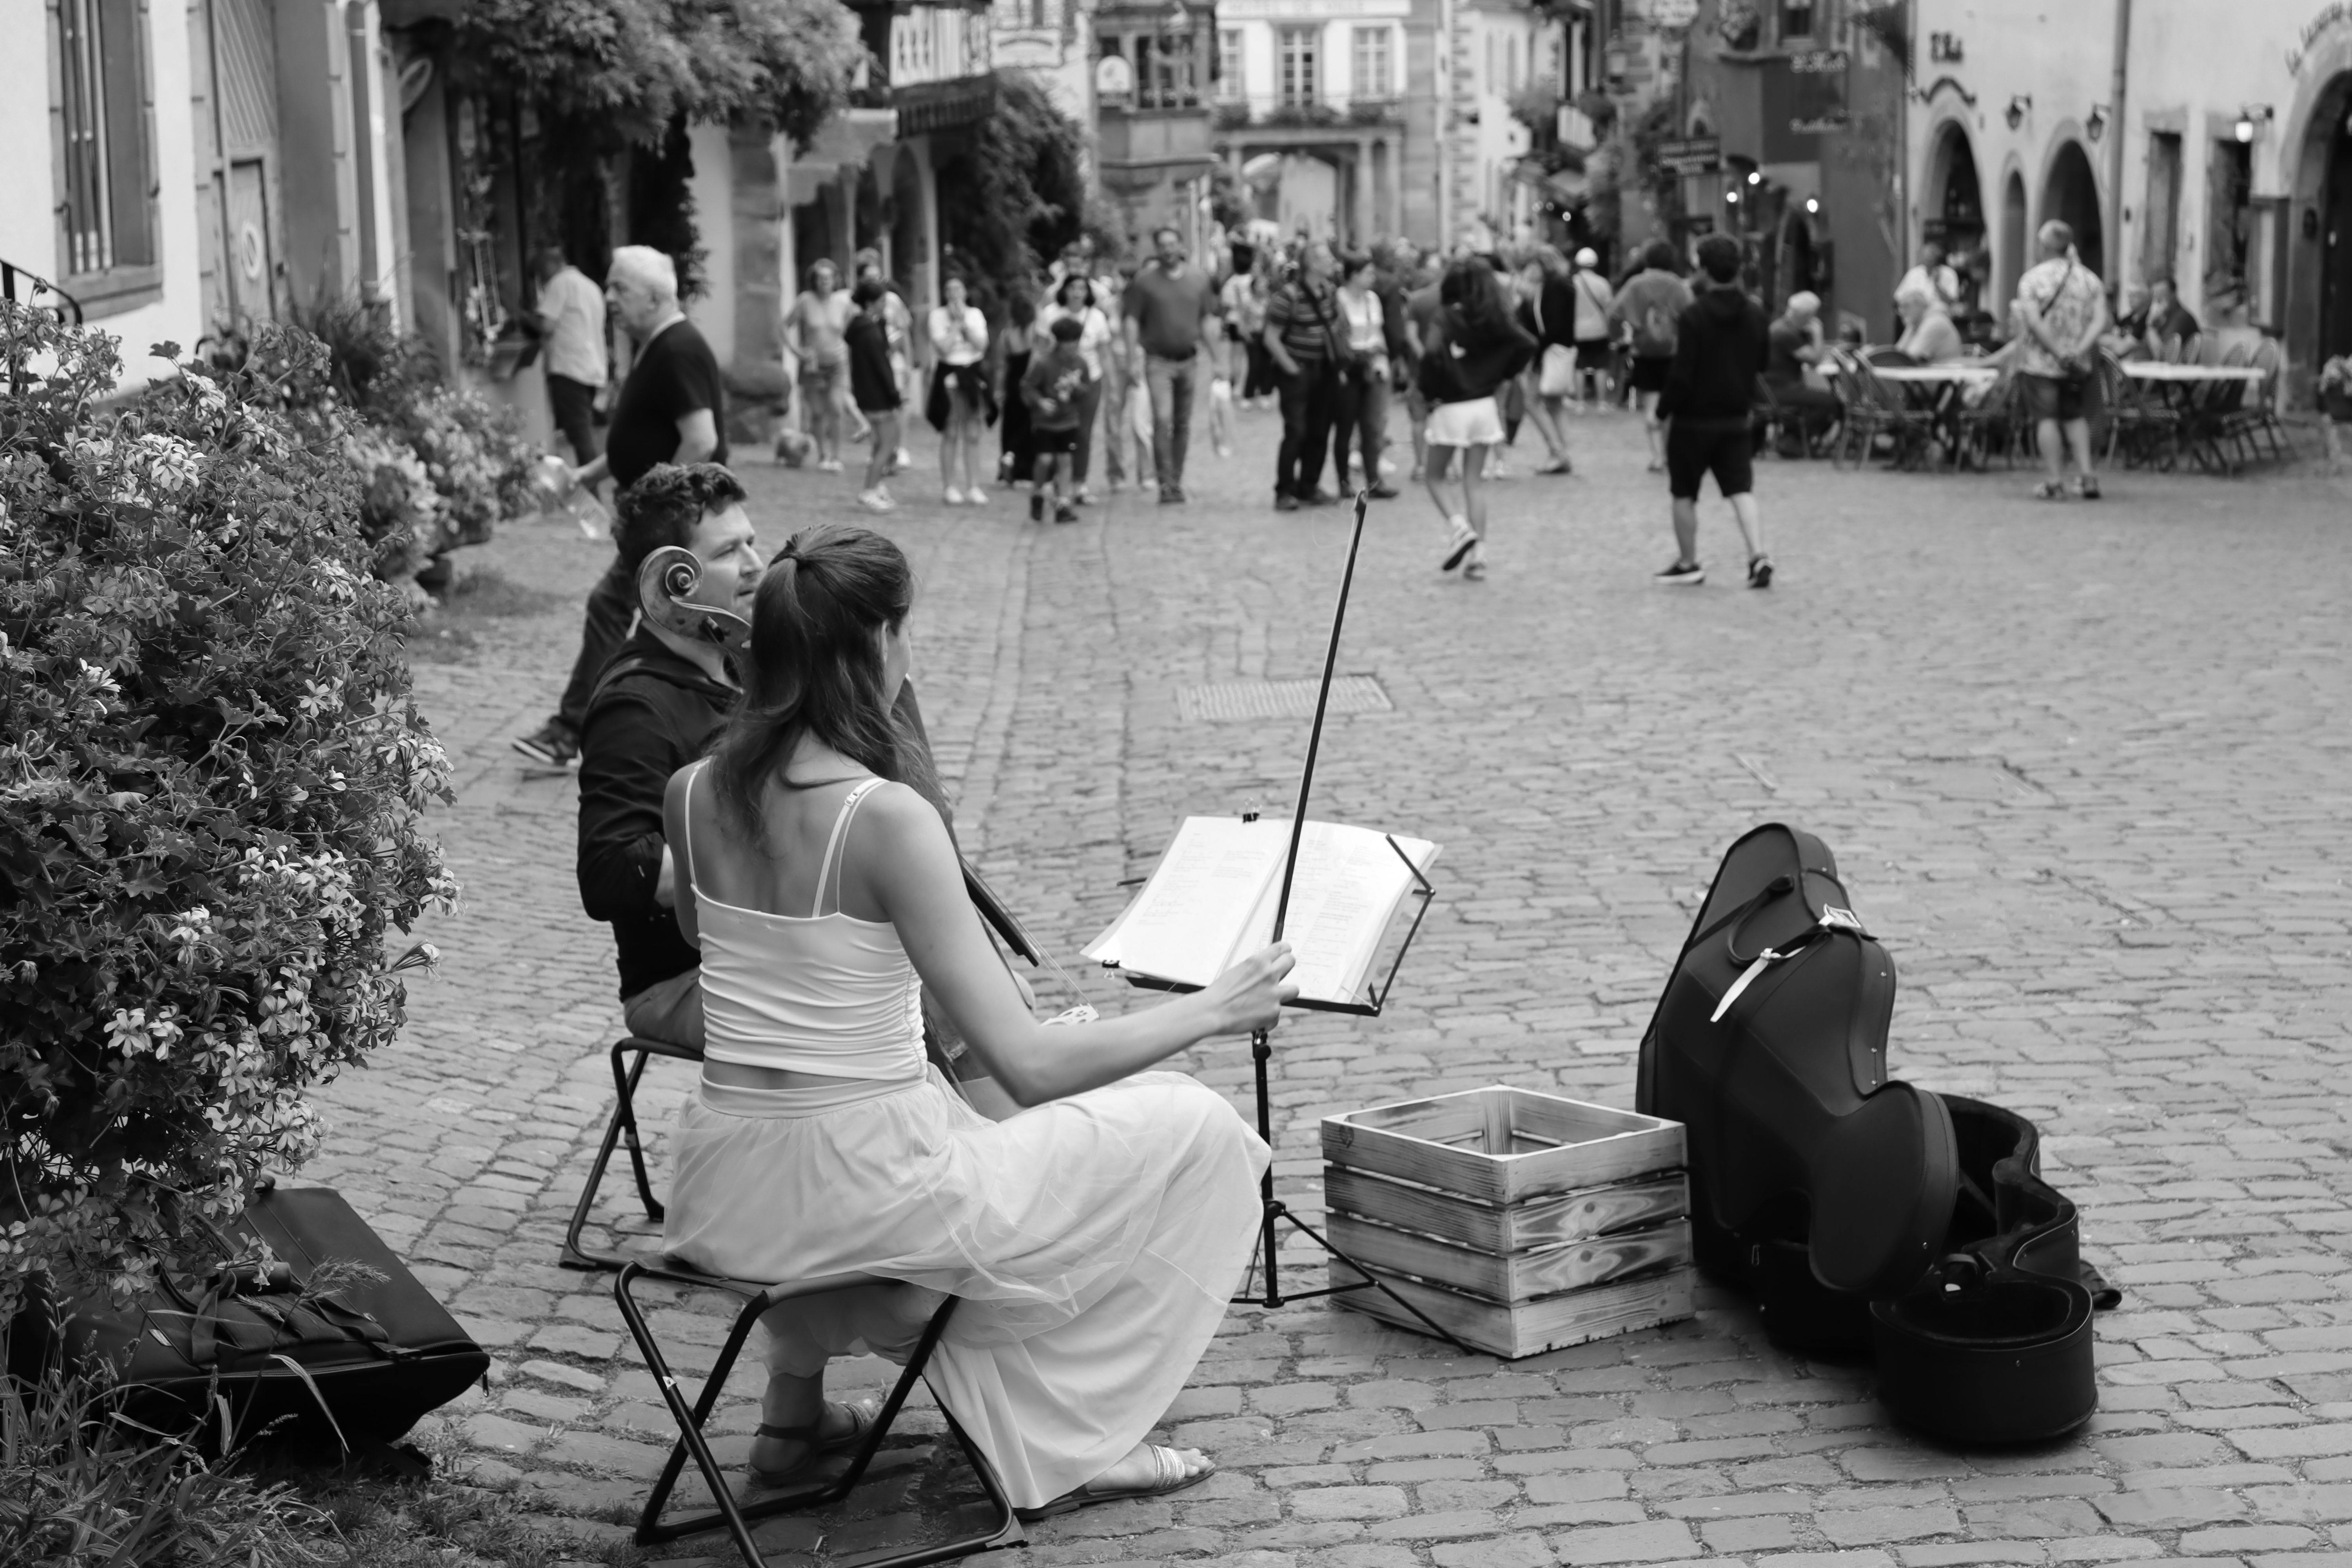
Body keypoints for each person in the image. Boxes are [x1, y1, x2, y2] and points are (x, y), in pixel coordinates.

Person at [655, 521, 1292, 1514]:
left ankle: (791, 1428)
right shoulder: (886, 817)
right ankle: (1074, 1442)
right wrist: (1216, 1007)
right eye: (906, 635)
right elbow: (1028, 1064)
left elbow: (705, 935)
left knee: (964, 1150)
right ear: (876, 649)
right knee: (1197, 1128)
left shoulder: (691, 791)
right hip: (860, 1189)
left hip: (724, 1183)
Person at [514, 247, 726, 769]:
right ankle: (708, 726)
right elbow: (642, 432)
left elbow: (700, 441)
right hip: (673, 521)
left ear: (654, 297)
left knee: (621, 608)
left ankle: (571, 731)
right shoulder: (658, 344)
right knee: (686, 621)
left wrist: (665, 509)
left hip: (676, 523)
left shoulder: (677, 348)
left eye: (619, 289)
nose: (608, 298)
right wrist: (591, 474)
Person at [576, 465, 757, 1049]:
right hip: (683, 980)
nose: (756, 565)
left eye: (751, 542)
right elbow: (608, 874)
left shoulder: (744, 669)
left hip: (768, 954)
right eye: (730, 551)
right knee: (867, 1000)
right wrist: (771, 839)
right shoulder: (637, 704)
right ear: (672, 581)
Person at [1655, 233, 1772, 590]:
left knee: (1684, 492)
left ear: (1704, 270)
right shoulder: (1755, 312)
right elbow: (1762, 362)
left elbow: (1683, 372)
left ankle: (1689, 562)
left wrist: (1662, 412)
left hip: (1694, 418)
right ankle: (1757, 554)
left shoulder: (1694, 315)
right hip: (1736, 415)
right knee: (1741, 489)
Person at [1417, 258, 1535, 582]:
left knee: (1435, 476)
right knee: (1474, 481)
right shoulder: (1494, 316)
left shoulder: (1447, 316)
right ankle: (1479, 554)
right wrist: (1502, 374)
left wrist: (1430, 390)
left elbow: (1429, 353)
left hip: (1451, 405)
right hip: (1484, 405)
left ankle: (1459, 527)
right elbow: (1527, 343)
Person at [1121, 225, 1223, 503]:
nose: (1168, 250)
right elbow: (1131, 320)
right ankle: (1165, 482)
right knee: (1163, 420)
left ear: (1181, 246)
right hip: (1158, 362)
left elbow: (1206, 321)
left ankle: (1176, 479)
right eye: (1162, 245)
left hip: (1190, 360)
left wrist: (1218, 360)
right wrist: (1132, 359)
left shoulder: (1198, 280)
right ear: (1156, 249)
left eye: (1172, 244)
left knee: (1183, 424)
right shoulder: (1144, 282)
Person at [2011, 219, 2109, 501]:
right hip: (2077, 363)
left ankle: (2055, 481)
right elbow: (2099, 320)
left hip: (2041, 362)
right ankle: (2088, 475)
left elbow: (2033, 321)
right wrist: (2078, 349)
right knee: (2074, 416)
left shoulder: (2032, 279)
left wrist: (2057, 351)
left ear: (2043, 246)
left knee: (2047, 419)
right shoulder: (2089, 279)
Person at [1264, 240, 1343, 510]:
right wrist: (1291, 368)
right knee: (1296, 431)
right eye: (1326, 257)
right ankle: (1284, 490)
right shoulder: (1288, 296)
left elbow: (1334, 326)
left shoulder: (1329, 292)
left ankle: (1309, 485)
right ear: (1312, 264)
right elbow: (1271, 337)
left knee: (1320, 430)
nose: (1333, 261)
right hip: (1297, 373)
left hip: (1324, 370)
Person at [1610, 241, 1694, 474]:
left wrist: (1621, 337)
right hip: (1674, 353)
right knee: (1671, 407)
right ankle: (1669, 455)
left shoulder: (1636, 284)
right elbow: (1693, 316)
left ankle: (1656, 456)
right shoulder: (1679, 286)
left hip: (1645, 352)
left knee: (1651, 404)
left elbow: (1615, 313)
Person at [1037, 274, 1114, 505]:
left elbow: (1104, 353)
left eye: (1082, 288)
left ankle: (1079, 483)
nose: (1077, 293)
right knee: (1056, 432)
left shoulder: (1097, 318)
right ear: (1065, 290)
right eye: (1073, 288)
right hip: (1056, 381)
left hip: (1089, 380)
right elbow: (1041, 350)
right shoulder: (1051, 314)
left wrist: (1112, 386)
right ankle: (1054, 483)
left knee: (1083, 434)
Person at [1329, 249, 1397, 499]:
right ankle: (1344, 481)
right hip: (1348, 369)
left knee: (1372, 426)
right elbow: (1339, 338)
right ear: (1353, 275)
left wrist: (1382, 362)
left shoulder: (1372, 300)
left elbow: (1377, 333)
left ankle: (1374, 481)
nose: (1372, 277)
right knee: (1346, 427)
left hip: (1372, 367)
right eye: (1367, 273)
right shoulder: (1338, 300)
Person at [534, 245, 608, 465]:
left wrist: (526, 318)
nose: (540, 279)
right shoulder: (590, 285)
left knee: (579, 436)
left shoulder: (561, 283)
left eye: (540, 271)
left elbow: (547, 325)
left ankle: (591, 493)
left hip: (569, 369)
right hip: (591, 368)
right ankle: (586, 489)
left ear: (550, 265)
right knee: (580, 433)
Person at [926, 276, 991, 506]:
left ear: (965, 293)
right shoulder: (936, 316)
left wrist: (964, 324)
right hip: (949, 377)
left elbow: (982, 346)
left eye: (958, 290)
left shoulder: (975, 315)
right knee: (951, 431)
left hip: (972, 376)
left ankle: (974, 486)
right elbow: (942, 349)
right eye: (949, 290)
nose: (954, 294)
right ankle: (949, 486)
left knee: (973, 432)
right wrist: (954, 325)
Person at [1022, 315, 1091, 523]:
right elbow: (1027, 386)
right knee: (1045, 460)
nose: (1073, 346)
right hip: (1046, 422)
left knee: (1065, 460)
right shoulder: (1044, 363)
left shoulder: (1081, 363)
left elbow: (1085, 390)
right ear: (1059, 342)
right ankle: (1037, 492)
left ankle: (1063, 504)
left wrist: (1078, 388)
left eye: (1076, 341)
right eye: (1068, 342)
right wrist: (1041, 402)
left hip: (1069, 420)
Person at [786, 260, 853, 473]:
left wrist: (848, 349)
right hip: (812, 365)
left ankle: (836, 456)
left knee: (836, 407)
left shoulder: (843, 303)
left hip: (837, 364)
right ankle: (823, 455)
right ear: (814, 281)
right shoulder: (805, 301)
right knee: (817, 412)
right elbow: (784, 326)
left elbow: (851, 331)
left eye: (829, 278)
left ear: (835, 280)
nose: (825, 282)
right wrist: (796, 351)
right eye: (821, 278)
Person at [1515, 245, 1577, 475]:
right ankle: (1561, 453)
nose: (1530, 271)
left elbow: (1552, 326)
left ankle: (1557, 451)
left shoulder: (1557, 287)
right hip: (1553, 349)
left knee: (1532, 401)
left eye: (1533, 265)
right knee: (1554, 405)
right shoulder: (1553, 286)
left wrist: (1536, 355)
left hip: (1551, 351)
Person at [846, 278, 902, 513]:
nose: (884, 306)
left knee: (879, 443)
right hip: (877, 394)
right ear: (870, 303)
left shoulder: (860, 327)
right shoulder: (869, 332)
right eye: (881, 302)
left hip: (865, 392)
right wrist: (893, 394)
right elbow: (882, 365)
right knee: (888, 443)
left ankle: (876, 485)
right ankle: (869, 489)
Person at [856, 249, 916, 472]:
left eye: (878, 277)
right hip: (871, 364)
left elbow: (905, 332)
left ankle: (900, 449)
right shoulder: (857, 304)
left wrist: (909, 363)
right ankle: (880, 451)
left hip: (894, 361)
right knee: (876, 409)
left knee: (899, 405)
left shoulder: (892, 301)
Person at [1763, 291, 1841, 452]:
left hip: (1773, 388)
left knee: (1821, 400)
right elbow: (1815, 361)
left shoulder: (1780, 326)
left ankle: (1795, 437)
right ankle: (1795, 438)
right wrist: (1818, 333)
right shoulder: (1786, 333)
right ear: (1808, 316)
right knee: (1831, 403)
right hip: (1781, 390)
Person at [1399, 251, 1445, 481]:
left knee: (1419, 419)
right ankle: (1447, 467)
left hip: (1421, 369)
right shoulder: (1451, 299)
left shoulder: (1416, 300)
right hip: (1447, 368)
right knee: (1443, 417)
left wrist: (1424, 359)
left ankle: (1420, 465)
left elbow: (1411, 336)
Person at [994, 293, 1038, 487]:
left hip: (1013, 382)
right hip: (1031, 382)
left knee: (1011, 424)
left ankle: (1008, 458)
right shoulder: (1036, 332)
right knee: (1029, 426)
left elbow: (1001, 366)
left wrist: (999, 389)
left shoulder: (1007, 334)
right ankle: (1023, 469)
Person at [1568, 248, 1616, 407]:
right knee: (1601, 366)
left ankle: (1580, 402)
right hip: (1599, 330)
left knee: (1579, 366)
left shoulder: (1571, 283)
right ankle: (1602, 402)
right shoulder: (1602, 283)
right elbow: (1610, 308)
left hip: (1577, 330)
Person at [1895, 281, 1966, 364]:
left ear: (1920, 305)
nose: (1901, 312)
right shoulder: (1916, 322)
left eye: (1906, 306)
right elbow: (1897, 353)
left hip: (1947, 374)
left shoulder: (1935, 322)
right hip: (1934, 373)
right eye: (1900, 307)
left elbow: (1909, 358)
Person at [2142, 275, 2200, 359]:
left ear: (2173, 294)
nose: (2157, 301)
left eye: (2162, 295)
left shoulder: (2181, 318)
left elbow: (2162, 356)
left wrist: (2150, 325)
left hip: (2179, 371)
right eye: (2155, 297)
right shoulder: (2164, 318)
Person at [1897, 241, 1962, 314]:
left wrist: (1937, 284)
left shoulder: (1949, 274)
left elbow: (1952, 303)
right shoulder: (1914, 273)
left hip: (1939, 316)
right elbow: (1898, 298)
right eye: (1926, 258)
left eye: (1932, 257)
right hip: (1916, 317)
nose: (1929, 261)